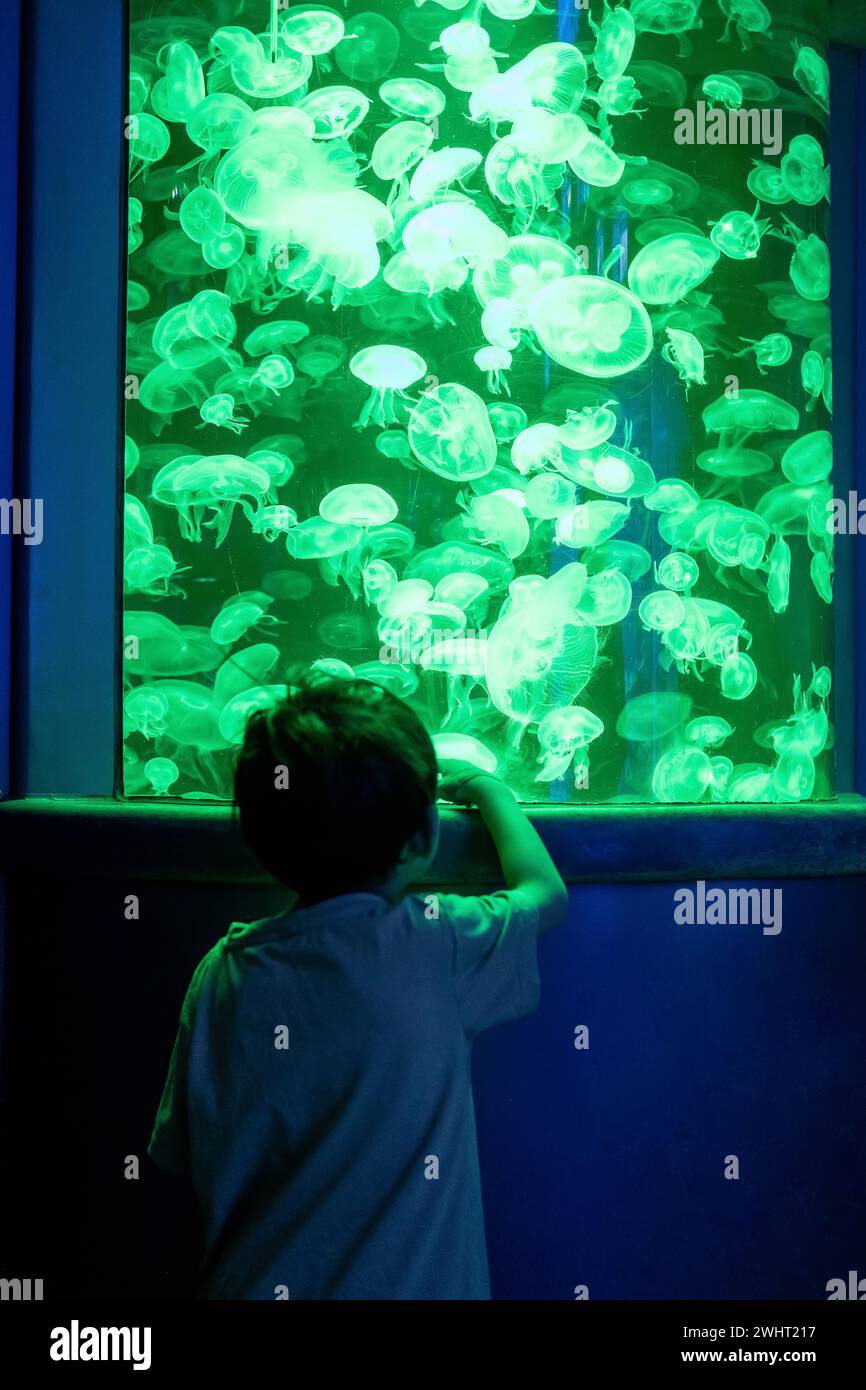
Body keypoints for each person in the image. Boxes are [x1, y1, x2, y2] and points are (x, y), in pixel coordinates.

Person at [148, 674, 567, 1299]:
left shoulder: (222, 972)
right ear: (425, 838)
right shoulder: (437, 944)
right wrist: (489, 789)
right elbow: (544, 895)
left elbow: (181, 1154)